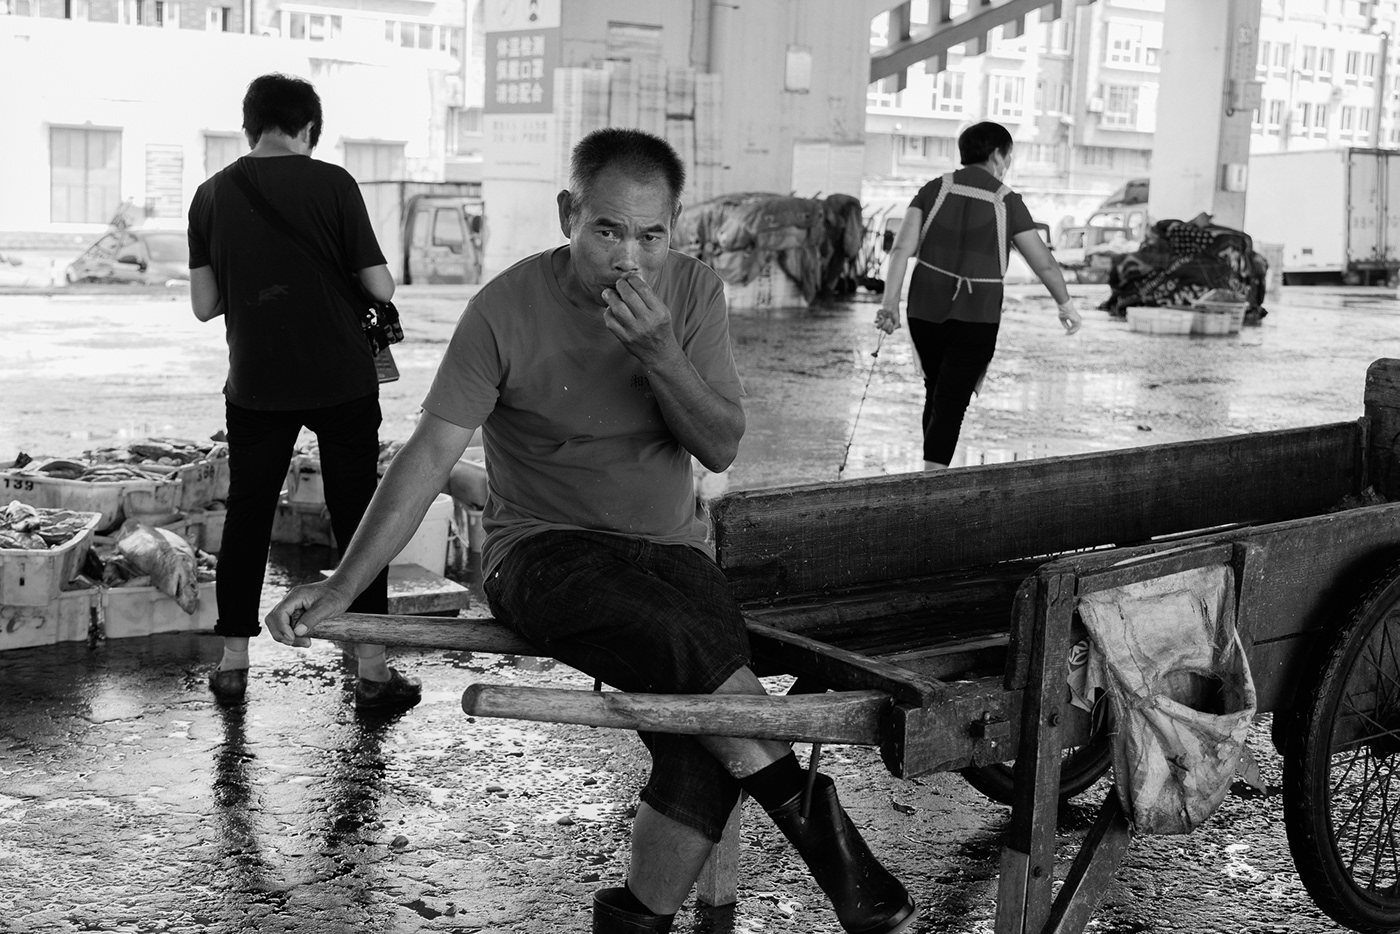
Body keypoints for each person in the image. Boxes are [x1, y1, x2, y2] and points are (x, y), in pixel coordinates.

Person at [264, 128, 918, 934]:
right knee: (688, 653)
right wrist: (341, 584)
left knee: (699, 738)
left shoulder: (694, 294)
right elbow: (430, 456)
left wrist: (660, 354)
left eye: (651, 235)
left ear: (674, 229)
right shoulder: (504, 309)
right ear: (569, 213)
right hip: (540, 551)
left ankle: (635, 922)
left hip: (672, 547)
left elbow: (718, 444)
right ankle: (827, 839)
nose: (629, 257)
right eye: (608, 230)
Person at [188, 73, 420, 712]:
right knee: (356, 513)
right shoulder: (335, 184)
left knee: (249, 512)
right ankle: (371, 668)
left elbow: (205, 306)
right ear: (309, 129)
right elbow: (380, 287)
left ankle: (233, 663)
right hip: (340, 380)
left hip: (256, 383)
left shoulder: (210, 195)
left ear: (249, 126)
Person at [876, 121, 1082, 470]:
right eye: (1009, 156)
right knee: (952, 399)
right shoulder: (1007, 201)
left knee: (938, 389)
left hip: (924, 309)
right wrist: (1066, 305)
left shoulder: (933, 189)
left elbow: (900, 250)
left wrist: (890, 305)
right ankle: (932, 483)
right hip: (977, 315)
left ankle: (929, 475)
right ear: (996, 155)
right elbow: (1043, 263)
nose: (1008, 163)